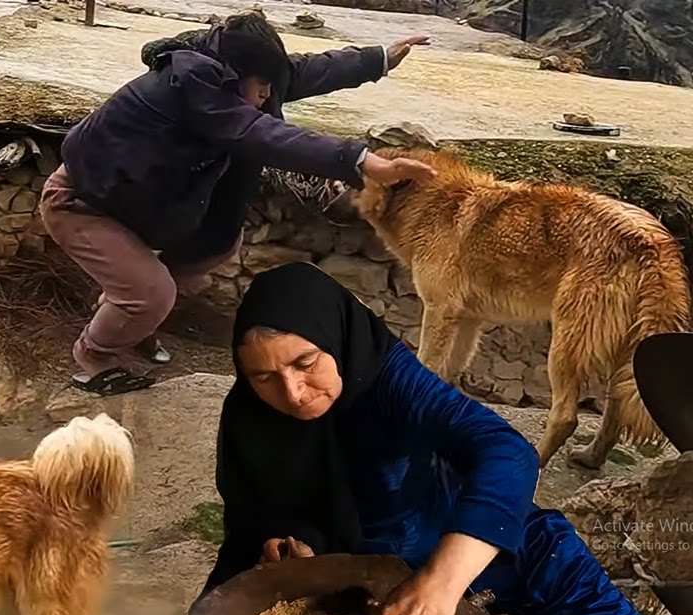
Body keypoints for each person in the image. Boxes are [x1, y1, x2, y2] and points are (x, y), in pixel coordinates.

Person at [198, 261, 692, 615]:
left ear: (336, 338)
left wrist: (441, 585)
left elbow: (506, 452)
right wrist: (292, 544)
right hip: (364, 586)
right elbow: (259, 518)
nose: (292, 392)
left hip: (478, 549)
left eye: (306, 362)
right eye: (264, 377)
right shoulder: (250, 423)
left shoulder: (389, 377)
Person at [39, 11, 436, 396]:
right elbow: (261, 134)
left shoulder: (249, 74)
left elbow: (313, 70)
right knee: (151, 293)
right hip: (85, 201)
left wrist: (379, 59)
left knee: (214, 246)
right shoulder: (192, 86)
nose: (266, 97)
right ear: (234, 74)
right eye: (260, 85)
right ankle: (93, 359)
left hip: (141, 204)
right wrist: (362, 160)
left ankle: (130, 320)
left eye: (270, 85)